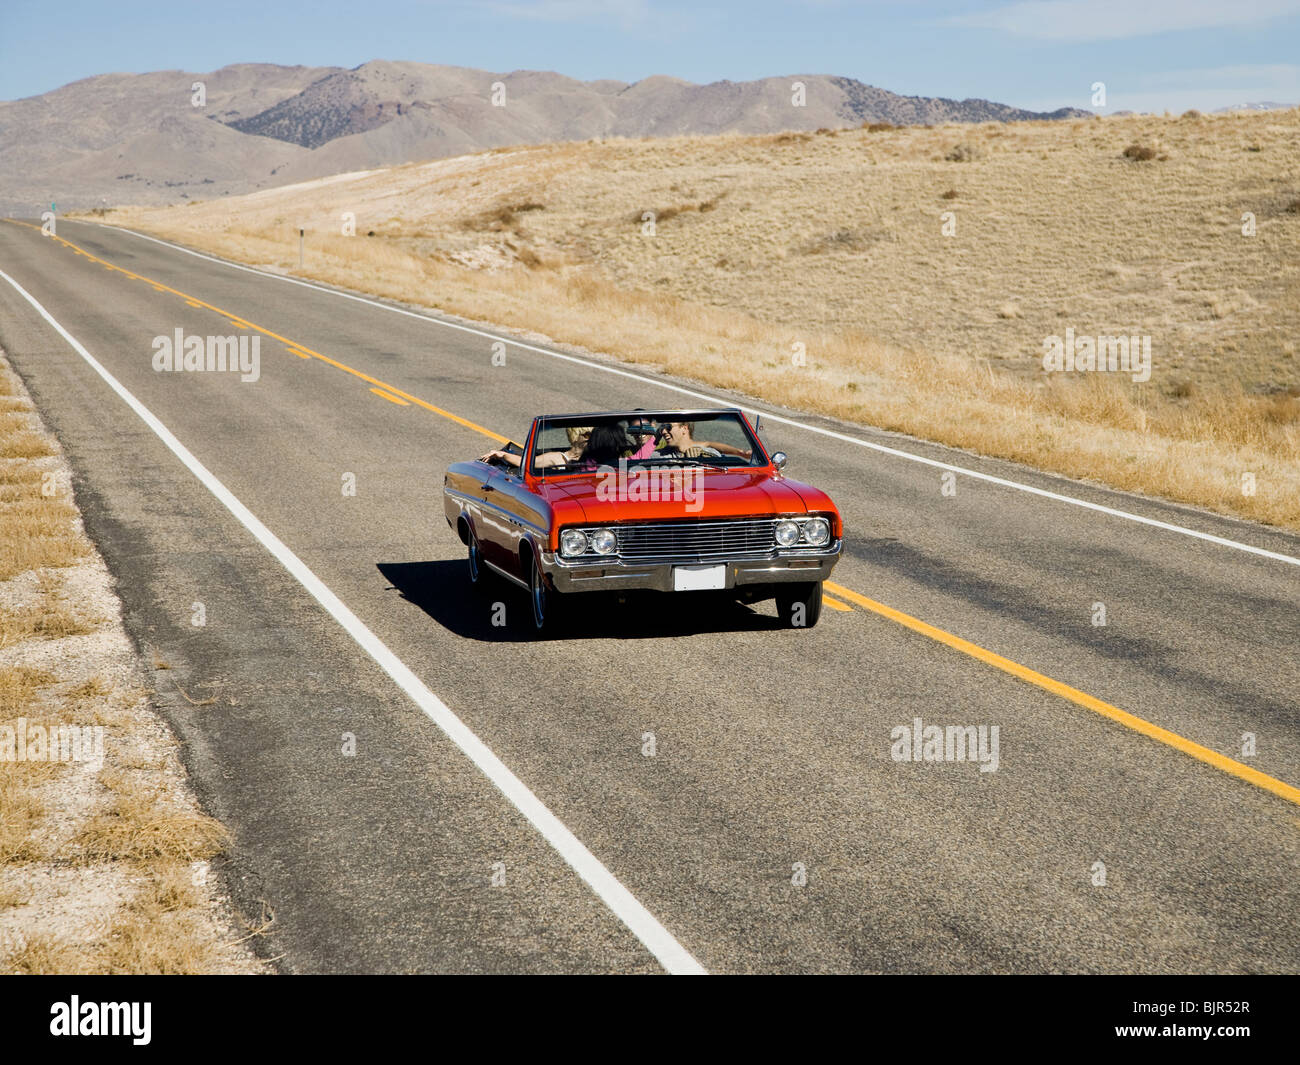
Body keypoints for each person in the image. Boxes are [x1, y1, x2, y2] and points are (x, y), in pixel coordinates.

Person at [480, 425, 591, 469]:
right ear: (575, 437)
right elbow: (528, 463)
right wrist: (503, 455)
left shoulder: (597, 456)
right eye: (587, 435)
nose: (590, 439)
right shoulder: (557, 458)